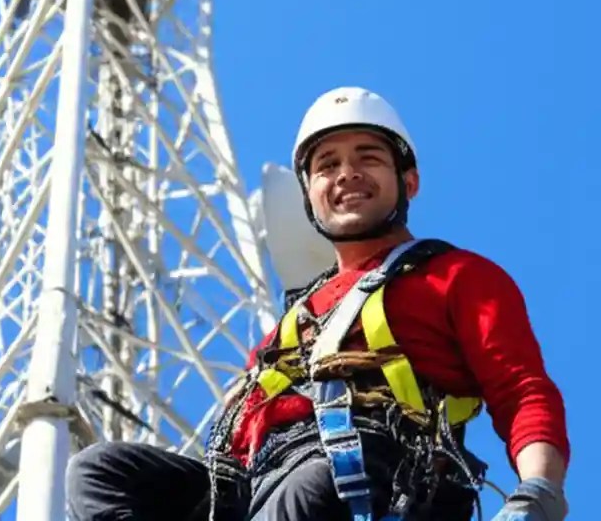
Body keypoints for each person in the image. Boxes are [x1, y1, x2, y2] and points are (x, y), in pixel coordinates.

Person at [66, 87, 571, 521]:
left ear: (408, 181)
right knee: (101, 471)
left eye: (368, 157)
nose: (347, 173)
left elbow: (521, 389)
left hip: (367, 475)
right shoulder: (294, 323)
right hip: (256, 483)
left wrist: (539, 492)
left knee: (310, 488)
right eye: (327, 165)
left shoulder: (456, 275)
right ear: (309, 195)